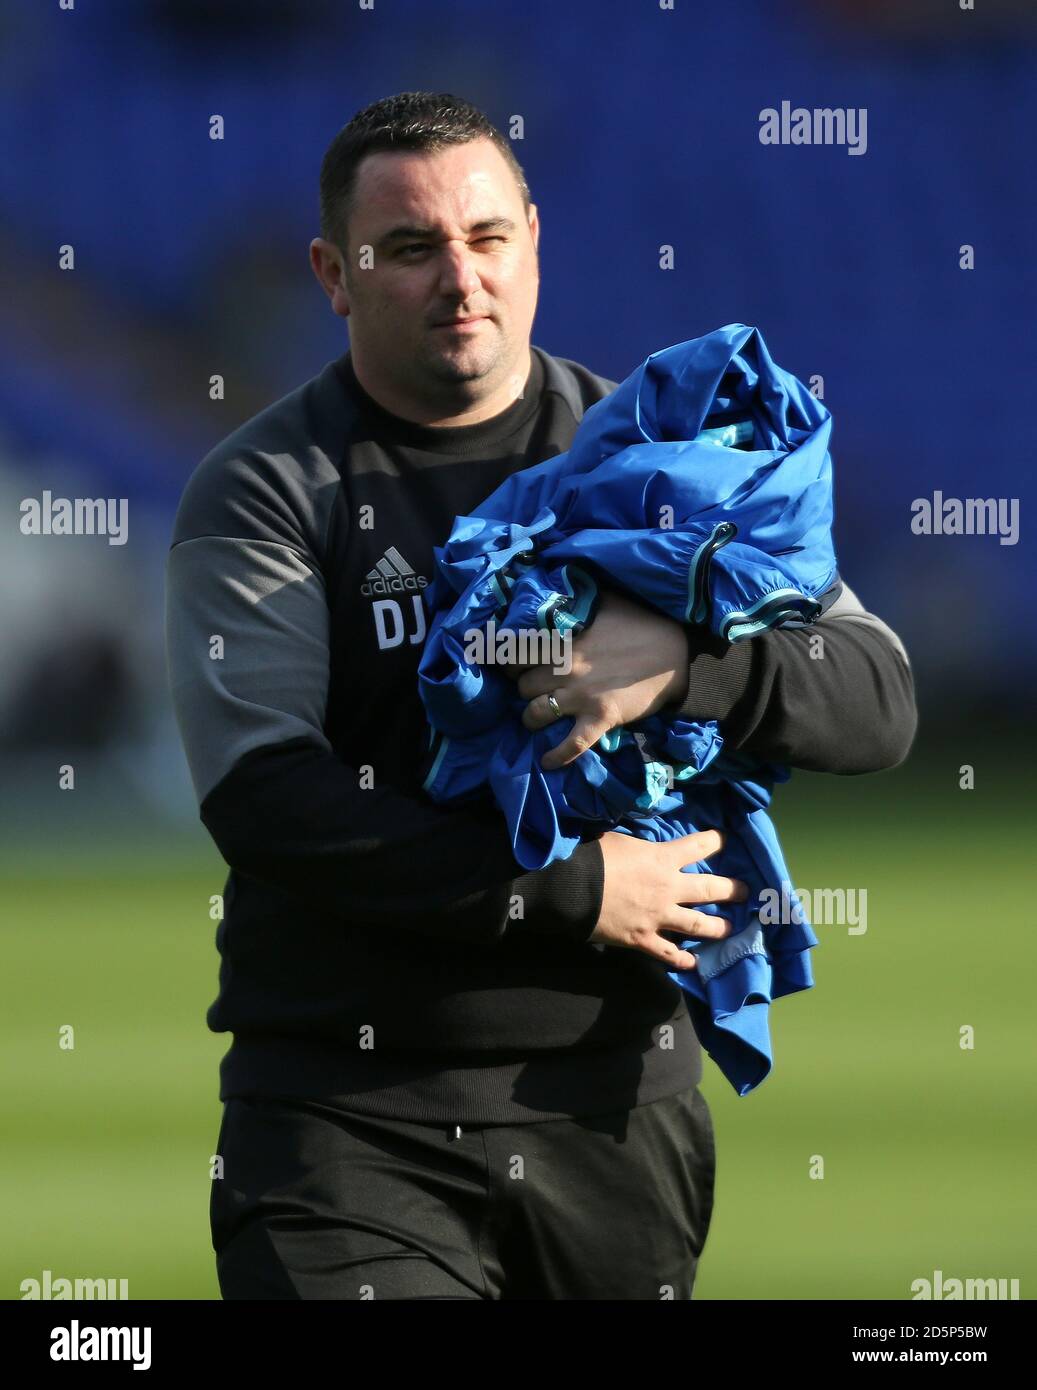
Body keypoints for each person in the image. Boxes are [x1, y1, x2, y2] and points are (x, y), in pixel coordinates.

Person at [164, 91, 917, 1301]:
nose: (459, 278)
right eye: (409, 248)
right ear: (334, 273)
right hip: (348, 1120)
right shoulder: (264, 487)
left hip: (618, 1112)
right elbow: (267, 800)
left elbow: (877, 698)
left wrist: (686, 661)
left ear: (532, 238)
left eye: (486, 237)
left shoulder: (656, 462)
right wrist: (568, 891)